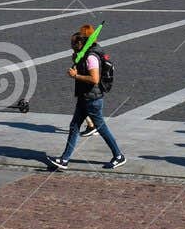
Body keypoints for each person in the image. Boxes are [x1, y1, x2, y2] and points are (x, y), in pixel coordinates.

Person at [45, 25, 126, 172]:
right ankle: (64, 159)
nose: (71, 47)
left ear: (81, 44)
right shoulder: (85, 54)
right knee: (74, 126)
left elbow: (94, 79)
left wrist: (76, 76)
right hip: (85, 97)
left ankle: (119, 155)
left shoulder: (91, 57)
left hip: (92, 99)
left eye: (73, 45)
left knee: (101, 128)